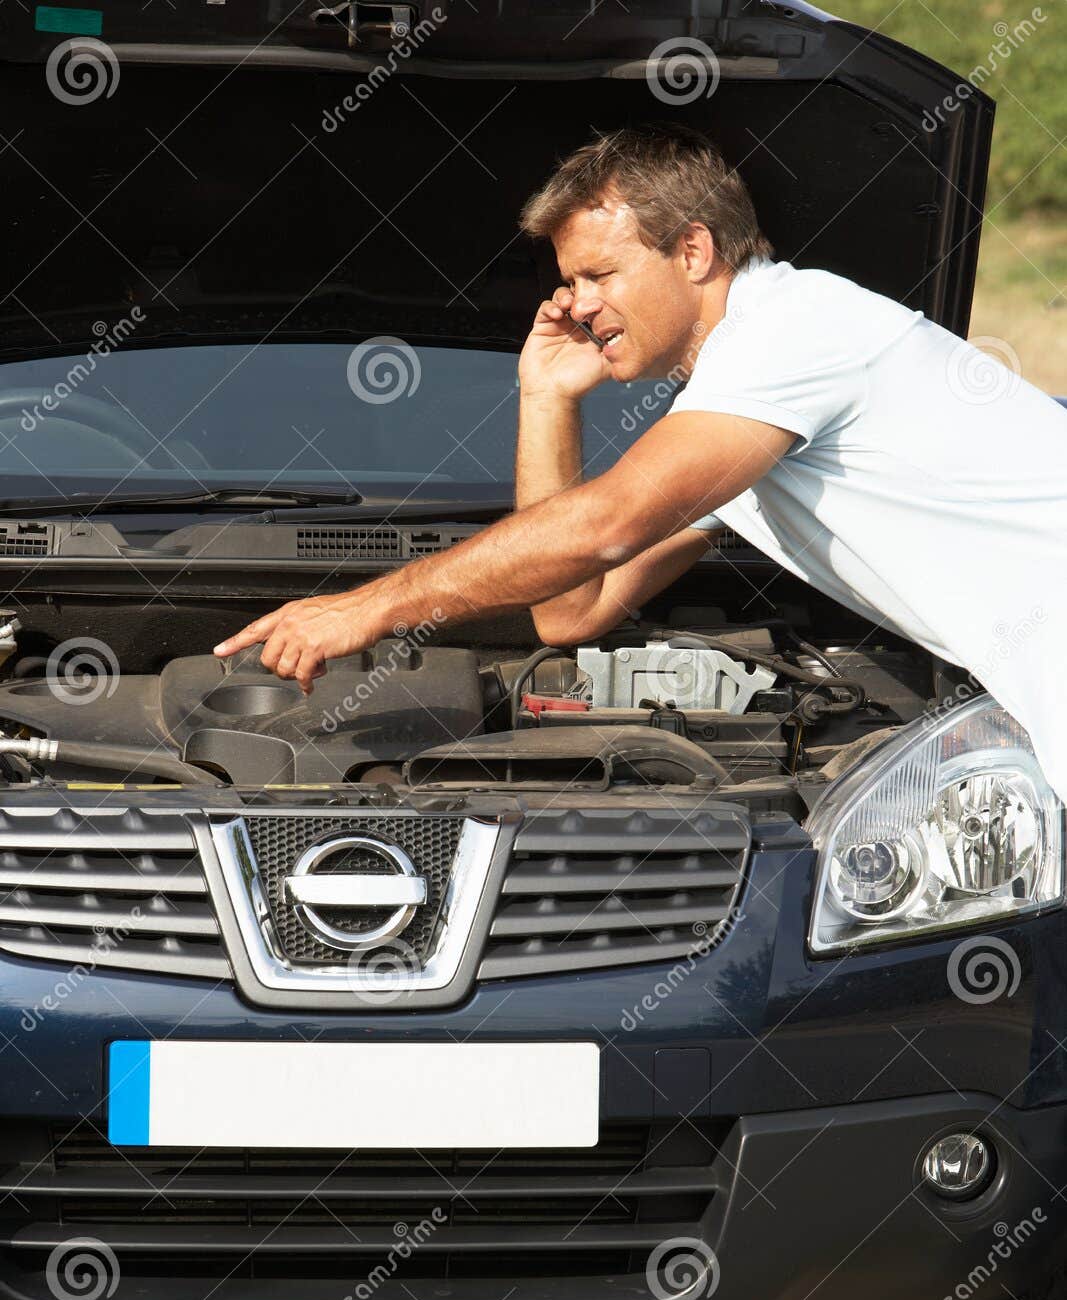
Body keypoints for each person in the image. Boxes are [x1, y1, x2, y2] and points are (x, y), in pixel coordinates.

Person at [214, 123, 1067, 807]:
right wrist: (548, 398)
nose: (576, 304)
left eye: (598, 272)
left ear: (692, 252)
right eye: (568, 280)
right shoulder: (738, 405)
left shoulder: (792, 332)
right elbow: (571, 610)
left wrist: (371, 606)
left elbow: (607, 523)